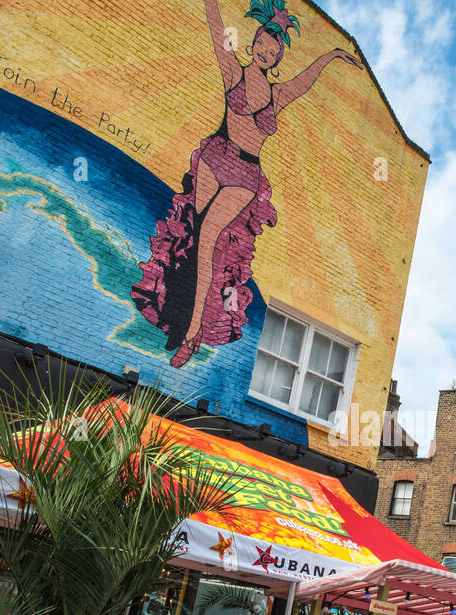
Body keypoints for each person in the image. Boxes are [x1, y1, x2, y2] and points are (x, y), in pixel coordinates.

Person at [131, 0, 363, 368]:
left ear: (278, 58)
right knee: (192, 239)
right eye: (262, 46)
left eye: (274, 52)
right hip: (214, 158)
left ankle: (191, 336)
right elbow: (216, 30)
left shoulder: (278, 95)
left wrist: (333, 54)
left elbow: (306, 82)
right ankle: (176, 317)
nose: (266, 53)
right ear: (252, 45)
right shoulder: (233, 73)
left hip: (245, 175)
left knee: (208, 241)